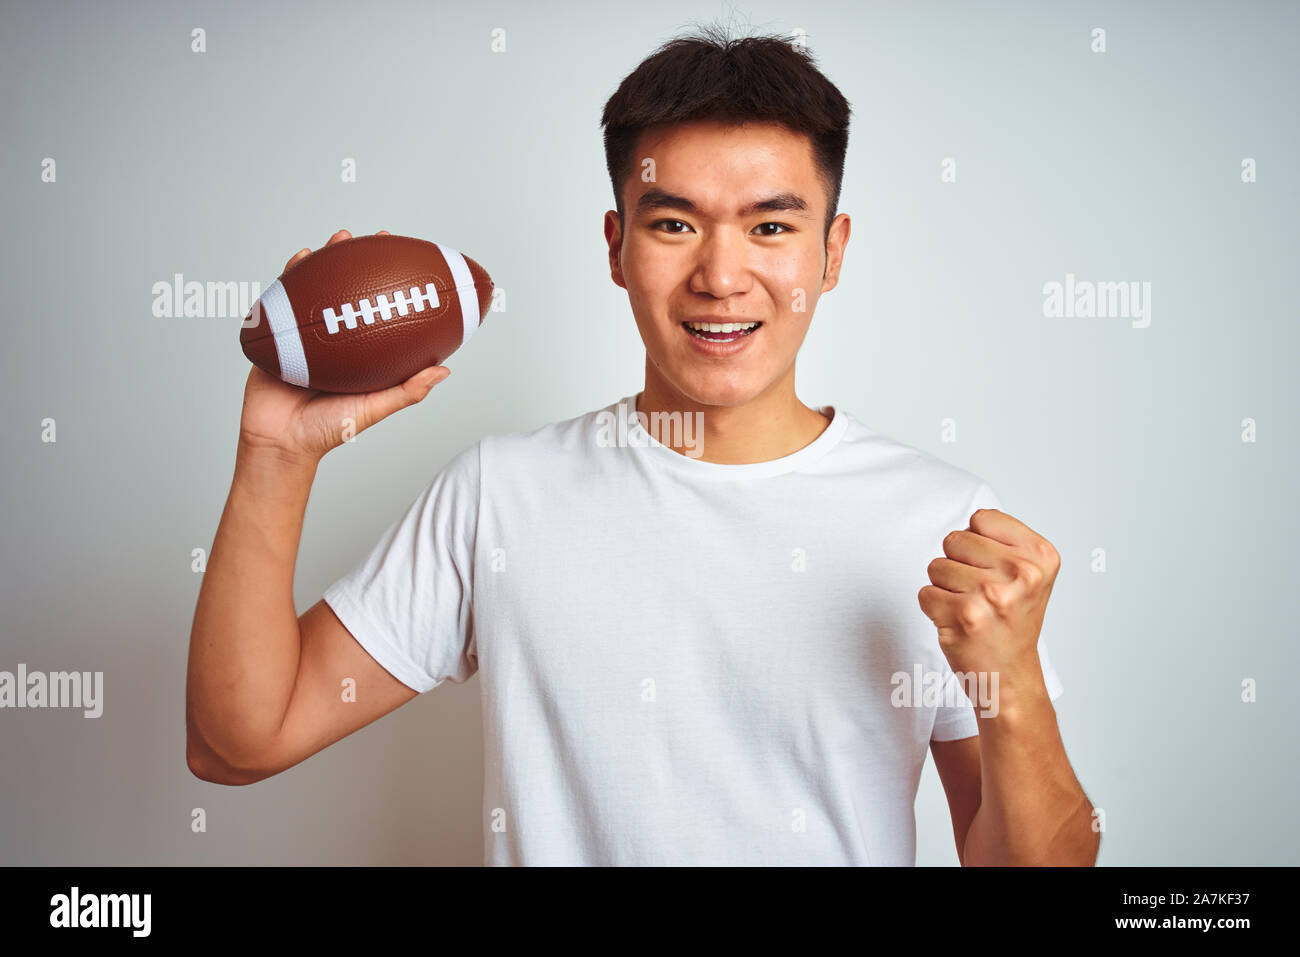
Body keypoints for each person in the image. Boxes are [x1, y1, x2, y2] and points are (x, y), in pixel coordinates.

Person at [186, 25, 1099, 866]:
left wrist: (1010, 681)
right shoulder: (502, 495)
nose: (721, 274)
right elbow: (236, 741)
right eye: (675, 223)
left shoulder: (937, 524)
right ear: (618, 247)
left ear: (832, 252)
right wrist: (275, 454)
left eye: (772, 226)